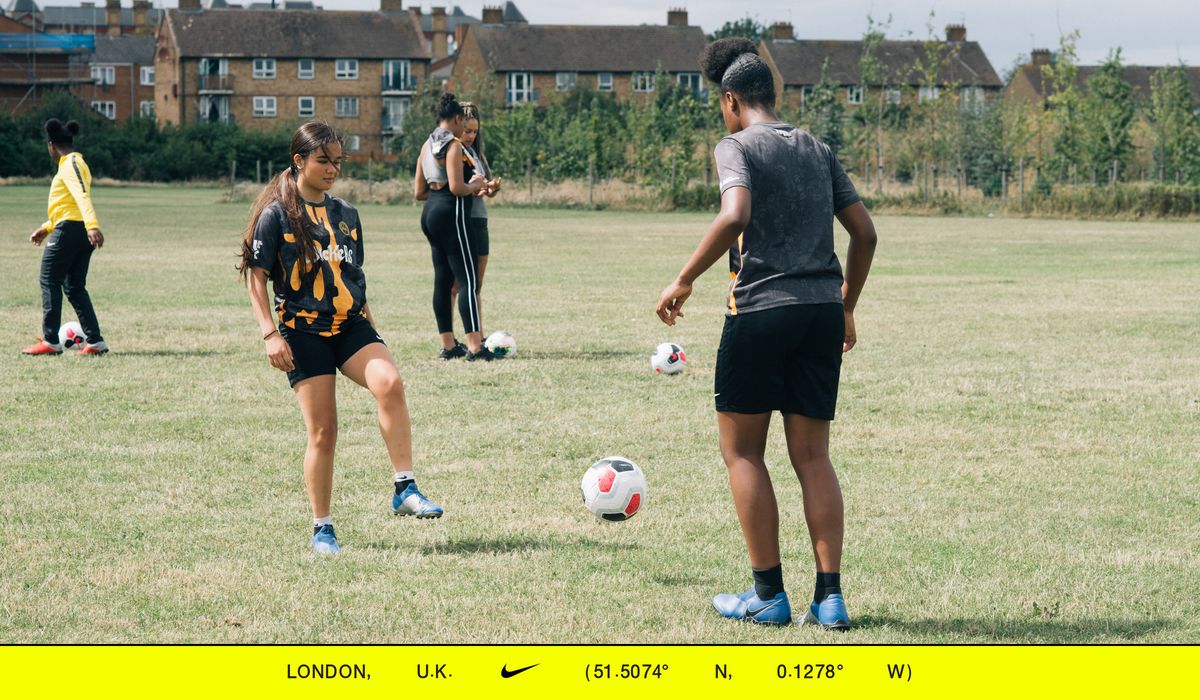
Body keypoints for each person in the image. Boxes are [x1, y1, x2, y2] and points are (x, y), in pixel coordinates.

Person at [655, 38, 878, 629]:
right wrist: (846, 305)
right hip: (819, 313)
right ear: (772, 95)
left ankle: (768, 596)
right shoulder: (817, 146)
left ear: (730, 100)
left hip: (759, 311)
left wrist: (682, 279)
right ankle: (829, 599)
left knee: (743, 451)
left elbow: (735, 215)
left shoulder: (735, 146)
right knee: (812, 456)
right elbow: (865, 234)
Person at [239, 121, 443, 555]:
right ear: (299, 161)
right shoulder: (276, 214)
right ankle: (322, 528)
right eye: (323, 161)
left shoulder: (346, 213)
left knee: (390, 383)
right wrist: (269, 335)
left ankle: (404, 487)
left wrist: (371, 325)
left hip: (350, 324)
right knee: (324, 431)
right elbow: (255, 279)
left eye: (337, 162)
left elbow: (354, 275)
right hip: (302, 333)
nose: (332, 169)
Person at [412, 93, 497, 361]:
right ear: (457, 119)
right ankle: (475, 347)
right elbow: (459, 187)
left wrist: (441, 194)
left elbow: (418, 192)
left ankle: (448, 346)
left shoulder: (427, 145)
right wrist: (477, 185)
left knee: (442, 280)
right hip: (453, 211)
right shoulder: (454, 145)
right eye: (464, 124)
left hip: (430, 212)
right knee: (468, 280)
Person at [23, 119, 109, 356]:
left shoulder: (70, 163)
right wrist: (47, 227)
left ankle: (51, 341)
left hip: (73, 229)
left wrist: (92, 225)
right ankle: (96, 342)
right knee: (73, 286)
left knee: (49, 279)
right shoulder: (74, 163)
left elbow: (81, 196)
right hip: (75, 228)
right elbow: (67, 204)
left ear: (51, 145)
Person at [453, 101, 503, 322]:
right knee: (458, 284)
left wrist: (491, 188)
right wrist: (472, 186)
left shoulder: (475, 153)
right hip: (462, 220)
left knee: (477, 284)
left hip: (480, 219)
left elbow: (483, 189)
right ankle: (452, 339)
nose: (471, 135)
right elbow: (454, 187)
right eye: (467, 130)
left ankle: (479, 337)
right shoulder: (453, 153)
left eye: (475, 131)